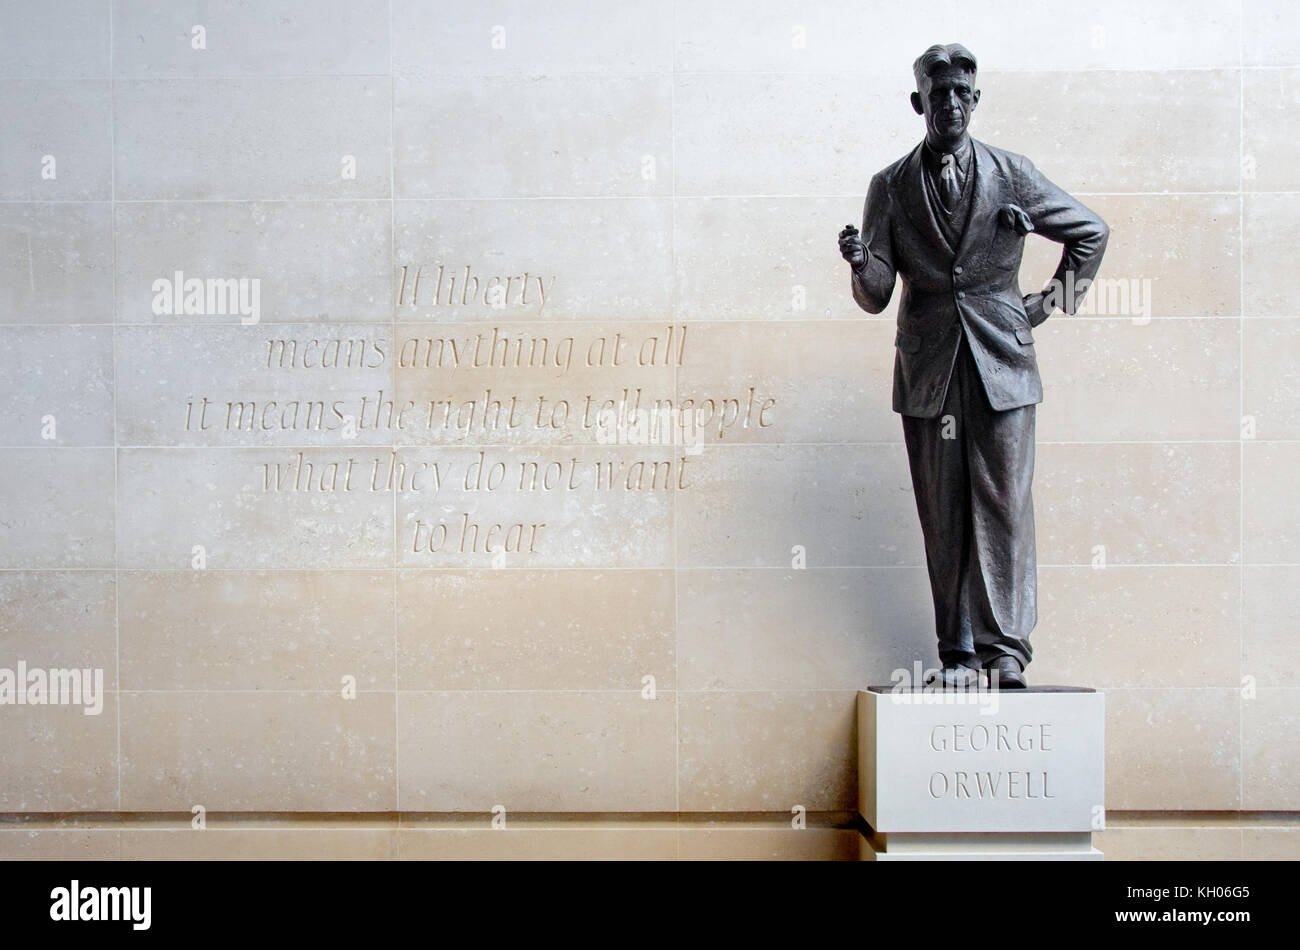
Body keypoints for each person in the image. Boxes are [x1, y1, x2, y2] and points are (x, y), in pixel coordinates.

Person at [839, 43, 1108, 688]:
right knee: (944, 507)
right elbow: (876, 296)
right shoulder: (891, 186)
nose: (952, 104)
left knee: (1006, 504)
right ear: (918, 103)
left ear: (976, 99)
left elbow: (1090, 232)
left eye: (962, 92)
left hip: (1003, 362)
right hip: (930, 368)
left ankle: (1006, 650)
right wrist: (859, 263)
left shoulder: (1011, 173)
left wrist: (1047, 304)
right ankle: (958, 653)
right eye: (939, 95)